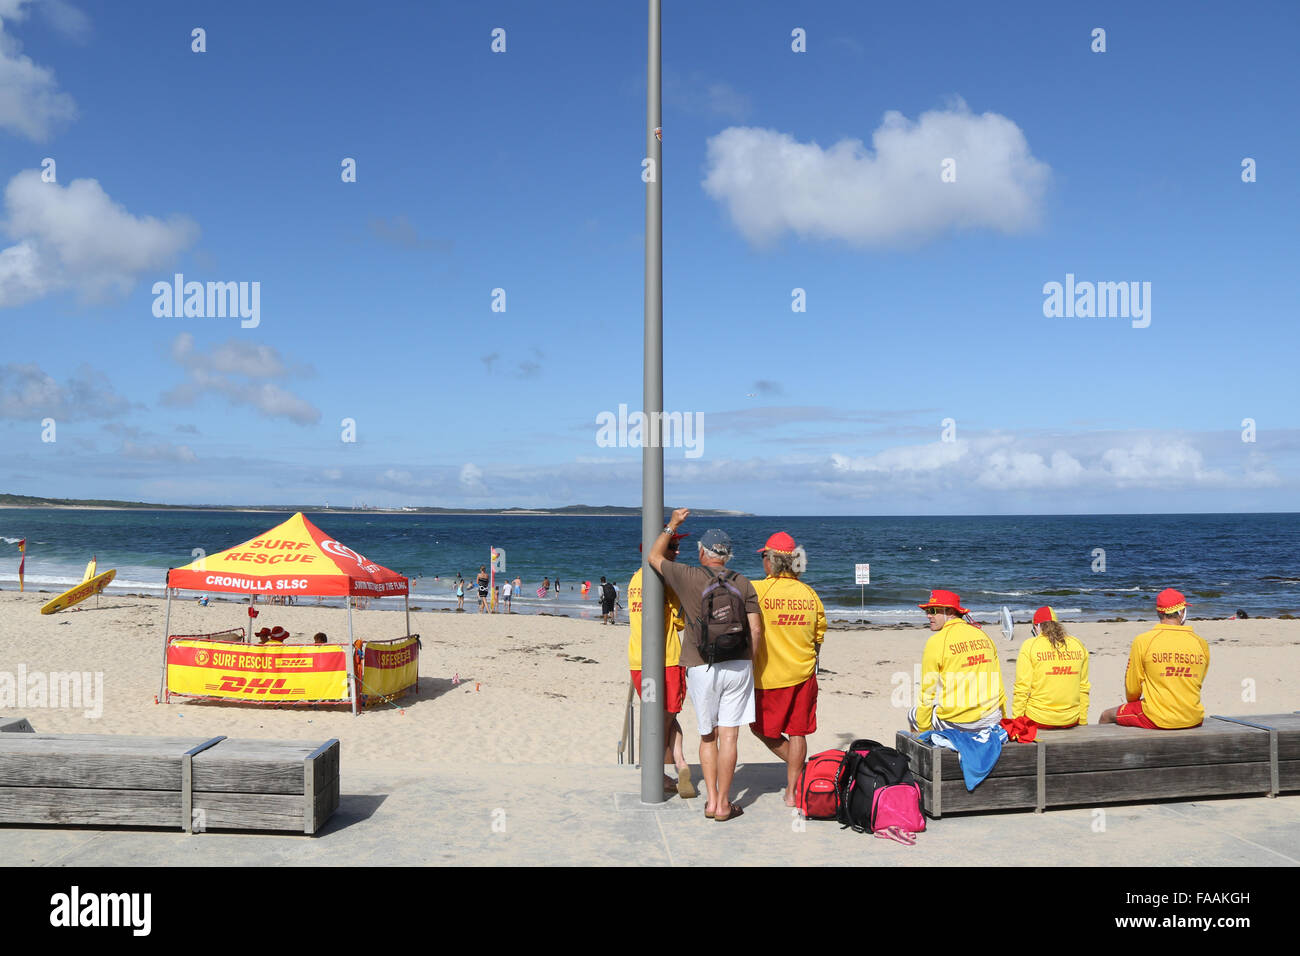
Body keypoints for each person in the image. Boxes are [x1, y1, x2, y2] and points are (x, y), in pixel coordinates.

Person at [649, 511, 762, 823]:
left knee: (707, 736)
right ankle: (726, 803)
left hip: (701, 666)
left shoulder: (688, 576)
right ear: (727, 555)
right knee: (730, 737)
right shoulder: (744, 582)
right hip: (739, 664)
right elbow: (756, 632)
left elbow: (654, 556)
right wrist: (750, 662)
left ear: (702, 552)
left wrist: (672, 524)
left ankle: (711, 801)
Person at [749, 532, 826, 806]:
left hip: (769, 677)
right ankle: (792, 792)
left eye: (763, 557)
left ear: (770, 560)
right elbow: (818, 640)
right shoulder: (810, 594)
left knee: (760, 730)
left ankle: (802, 770)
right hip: (804, 674)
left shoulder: (757, 590)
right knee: (798, 732)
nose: (762, 562)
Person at [628, 531, 695, 798]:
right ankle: (666, 768)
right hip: (666, 660)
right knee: (666, 718)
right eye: (673, 546)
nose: (678, 551)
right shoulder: (665, 580)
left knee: (656, 716)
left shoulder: (635, 578)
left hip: (638, 660)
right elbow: (679, 621)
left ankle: (674, 765)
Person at [1100, 589, 1209, 729]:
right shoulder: (1201, 643)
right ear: (1182, 612)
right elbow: (1198, 680)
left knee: (1106, 716)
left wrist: (1134, 703)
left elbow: (1132, 690)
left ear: (1159, 613)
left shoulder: (1144, 641)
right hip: (1193, 716)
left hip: (1157, 717)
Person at [909, 590, 1005, 733]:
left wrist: (924, 730)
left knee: (913, 715)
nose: (928, 615)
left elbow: (927, 691)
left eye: (933, 610)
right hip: (992, 717)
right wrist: (1003, 717)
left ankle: (924, 752)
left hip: (961, 722)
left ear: (949, 611)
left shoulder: (936, 642)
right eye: (927, 611)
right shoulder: (983, 635)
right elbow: (998, 683)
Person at [1012, 606, 1090, 729]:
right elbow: (1083, 687)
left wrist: (1017, 721)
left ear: (1037, 627)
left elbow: (1022, 688)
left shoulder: (1029, 646)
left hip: (1038, 719)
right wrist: (1083, 720)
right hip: (1070, 719)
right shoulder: (1077, 644)